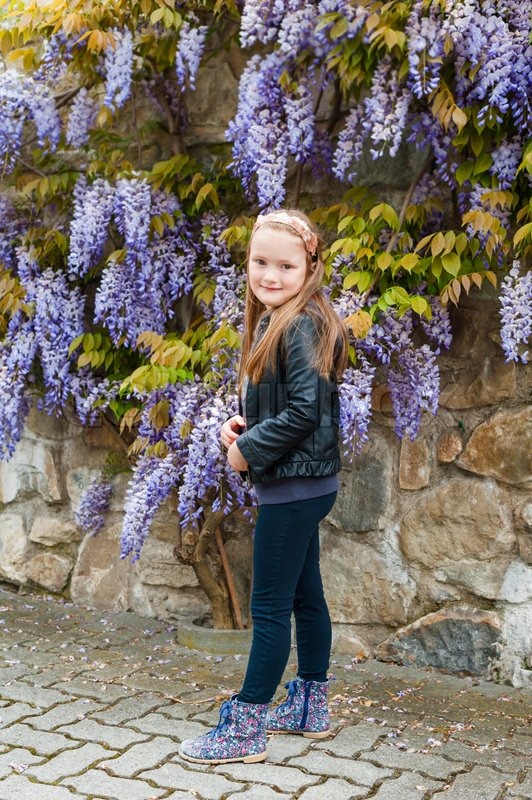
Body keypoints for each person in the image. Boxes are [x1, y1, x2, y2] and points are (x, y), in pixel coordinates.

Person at [179, 209, 349, 765]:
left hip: (293, 487)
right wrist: (244, 425)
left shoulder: (300, 323)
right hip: (309, 481)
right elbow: (293, 406)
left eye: (285, 265)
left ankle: (246, 726)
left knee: (270, 607)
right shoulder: (295, 318)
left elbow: (305, 410)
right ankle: (309, 707)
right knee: (305, 596)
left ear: (310, 267)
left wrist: (245, 450)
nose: (269, 275)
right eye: (260, 262)